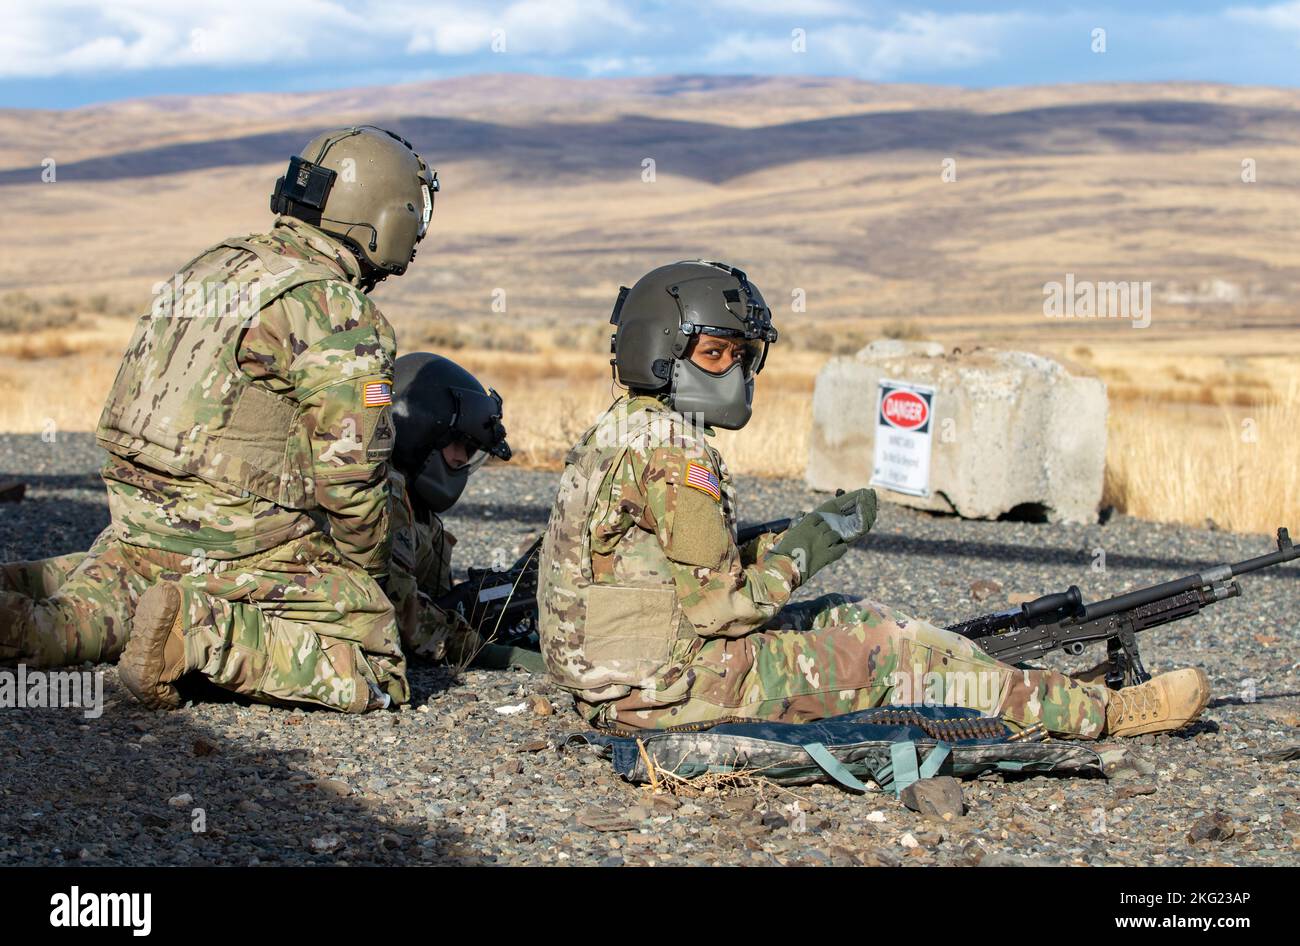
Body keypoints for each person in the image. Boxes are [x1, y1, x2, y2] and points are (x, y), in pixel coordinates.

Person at [537, 259, 1211, 738]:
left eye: (743, 354)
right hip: (667, 692)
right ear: (664, 351)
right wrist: (805, 550)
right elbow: (725, 613)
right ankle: (1105, 714)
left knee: (848, 614)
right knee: (899, 655)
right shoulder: (674, 453)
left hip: (623, 679)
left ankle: (1014, 685)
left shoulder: (621, 429)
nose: (737, 372)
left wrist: (777, 545)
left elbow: (665, 569)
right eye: (718, 353)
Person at [0, 126, 439, 713]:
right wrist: (365, 580)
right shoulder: (336, 309)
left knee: (65, 627)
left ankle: (48, 608)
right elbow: (352, 481)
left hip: (142, 527)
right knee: (376, 666)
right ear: (389, 218)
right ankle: (198, 633)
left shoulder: (211, 265)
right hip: (241, 546)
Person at [385, 352, 516, 667]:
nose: (462, 460)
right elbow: (403, 614)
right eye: (462, 445)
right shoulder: (384, 496)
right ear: (422, 431)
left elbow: (430, 598)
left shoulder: (416, 505)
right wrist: (488, 652)